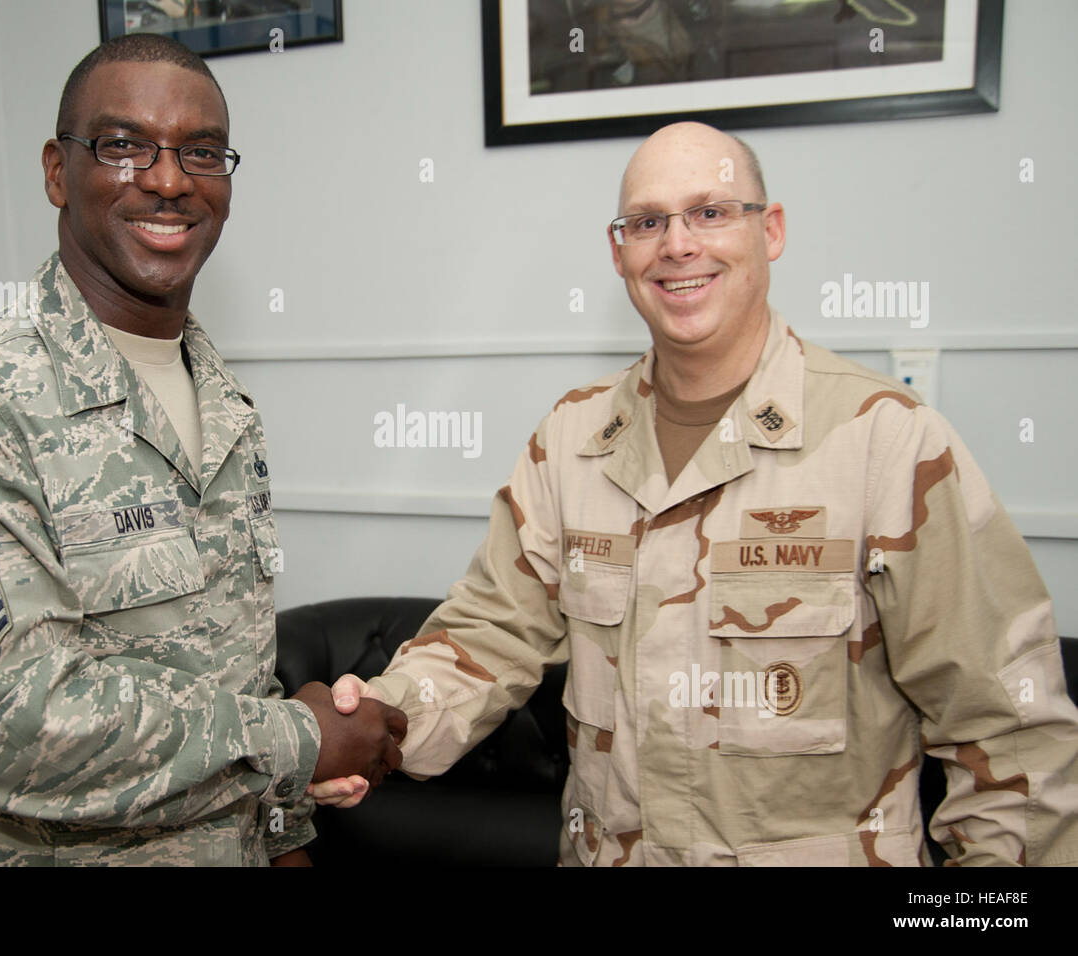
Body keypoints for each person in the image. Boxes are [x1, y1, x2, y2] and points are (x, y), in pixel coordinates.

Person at [312, 122, 1078, 866]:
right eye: (647, 222)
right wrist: (380, 719)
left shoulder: (887, 440)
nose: (678, 244)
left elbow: (1009, 729)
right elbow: (489, 634)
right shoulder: (571, 441)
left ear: (769, 231)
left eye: (710, 212)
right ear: (619, 252)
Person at [0, 33, 406, 867]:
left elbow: (229, 671)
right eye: (124, 144)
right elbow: (0, 723)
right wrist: (300, 739)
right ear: (57, 172)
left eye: (201, 153)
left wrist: (286, 838)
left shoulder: (222, 402)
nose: (169, 180)